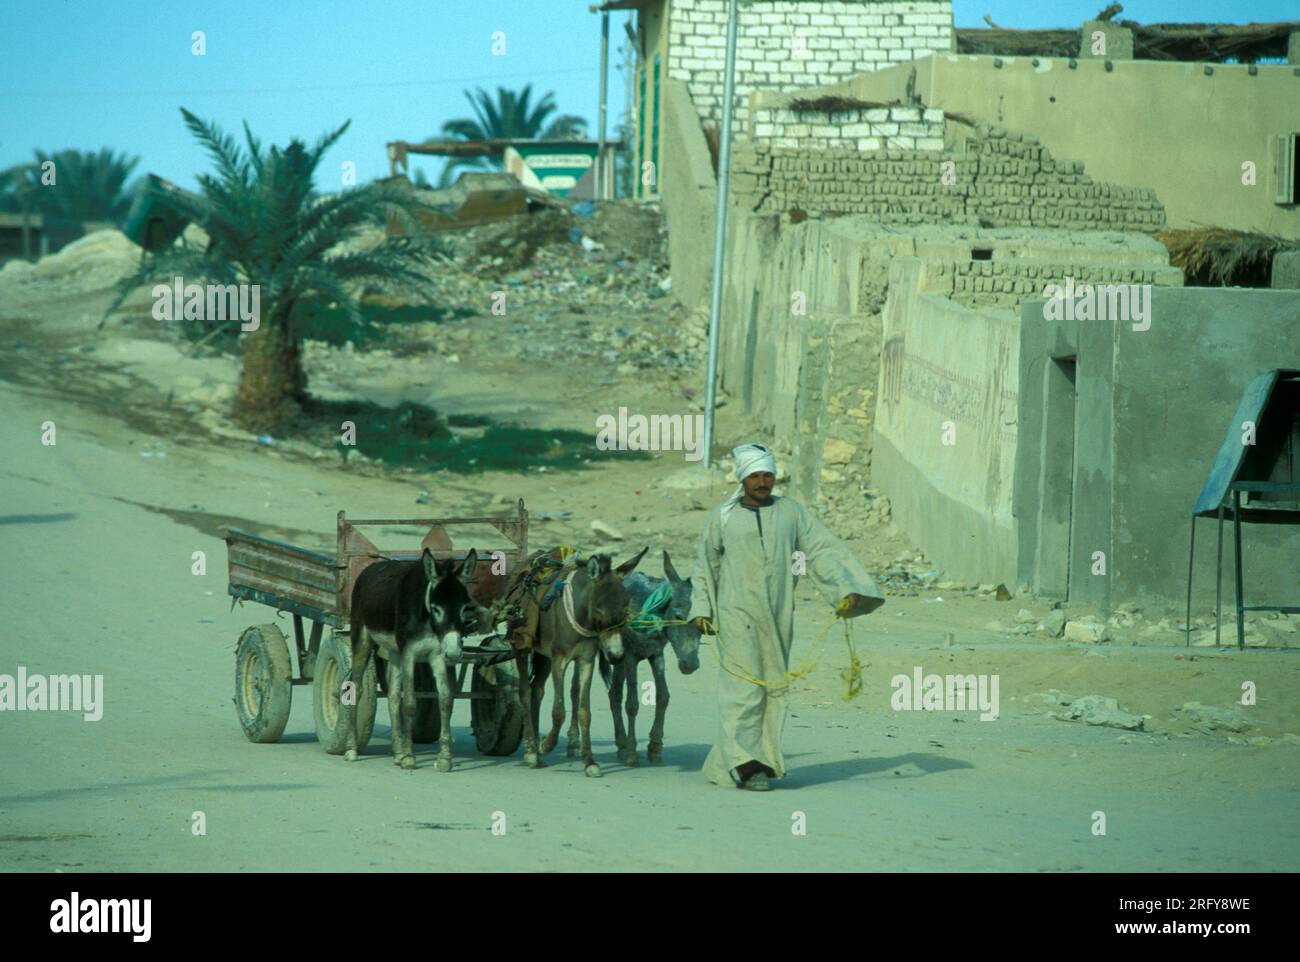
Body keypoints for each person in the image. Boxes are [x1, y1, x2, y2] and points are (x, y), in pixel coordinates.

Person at [690, 442, 884, 790]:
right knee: (743, 689)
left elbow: (820, 551)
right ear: (743, 479)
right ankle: (747, 766)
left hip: (778, 613)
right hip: (735, 612)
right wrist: (701, 609)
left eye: (768, 475)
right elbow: (704, 567)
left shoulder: (792, 514)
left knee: (772, 688)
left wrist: (844, 589)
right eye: (755, 476)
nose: (763, 482)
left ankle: (737, 761)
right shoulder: (722, 518)